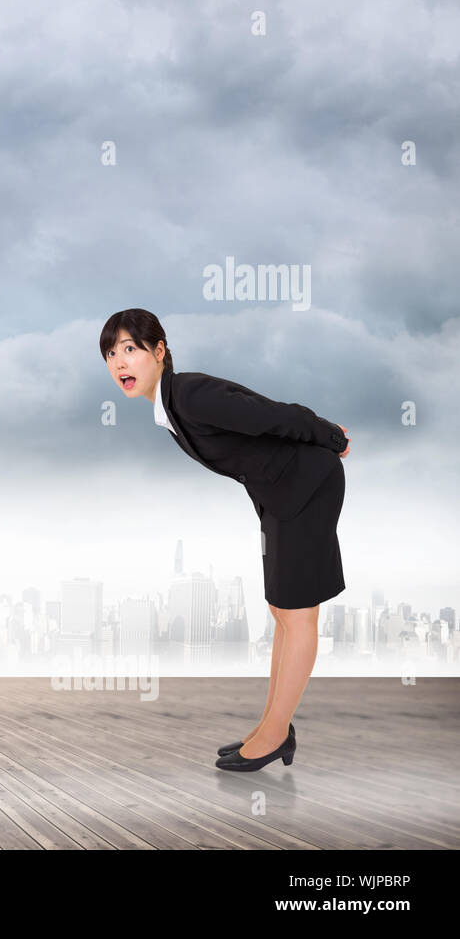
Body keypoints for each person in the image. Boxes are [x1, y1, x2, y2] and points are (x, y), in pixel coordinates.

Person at [99, 309, 350, 772]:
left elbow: (268, 416)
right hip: (279, 497)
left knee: (298, 614)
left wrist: (329, 435)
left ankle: (276, 735)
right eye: (111, 354)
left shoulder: (189, 394)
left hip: (307, 486)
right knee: (281, 609)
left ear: (159, 351)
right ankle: (273, 725)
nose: (119, 363)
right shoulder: (171, 408)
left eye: (130, 349)